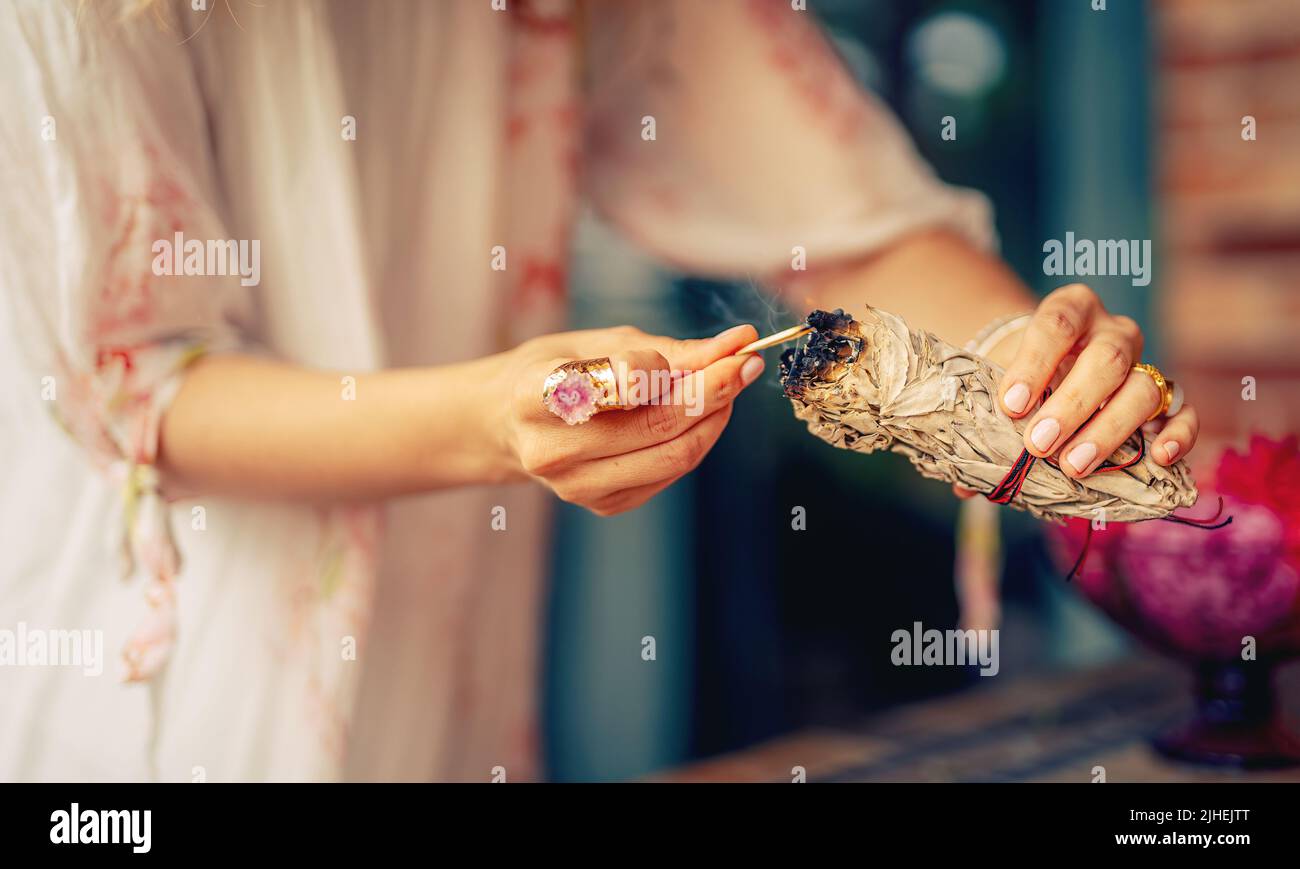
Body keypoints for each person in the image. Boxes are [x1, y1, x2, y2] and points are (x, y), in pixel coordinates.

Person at [0, 0, 1198, 780]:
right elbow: (142, 387)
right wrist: (485, 421)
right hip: (165, 716)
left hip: (448, 688)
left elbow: (857, 229)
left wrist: (1020, 359)